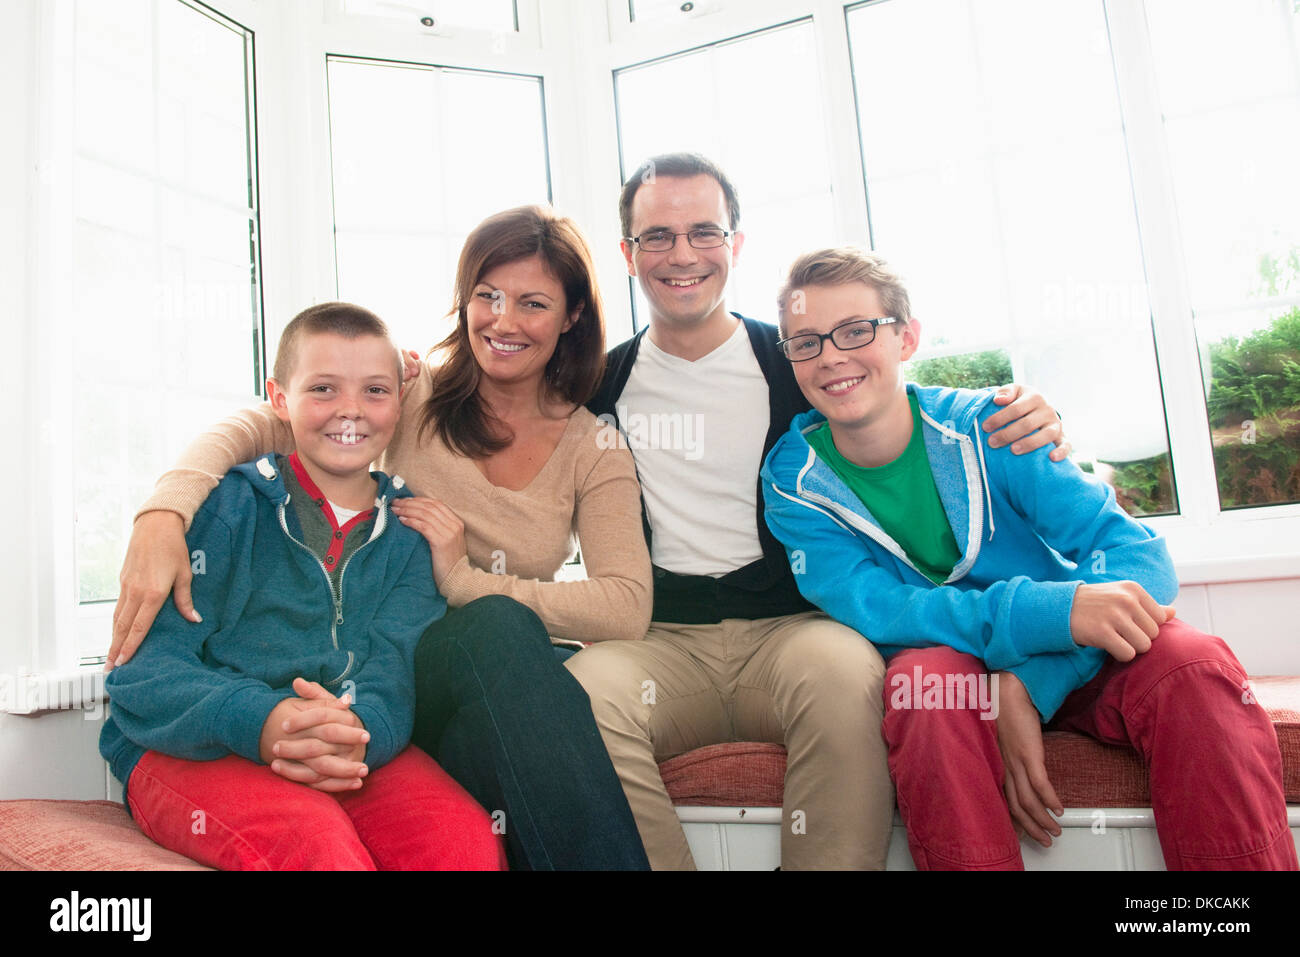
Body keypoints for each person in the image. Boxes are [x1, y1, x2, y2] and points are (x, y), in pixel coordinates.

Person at [107, 206, 652, 871]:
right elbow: (274, 419)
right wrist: (163, 510)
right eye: (487, 295)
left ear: (571, 316)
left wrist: (463, 583)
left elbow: (626, 601)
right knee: (497, 643)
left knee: (480, 782)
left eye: (533, 302)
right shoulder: (411, 394)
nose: (504, 320)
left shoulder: (588, 445)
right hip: (375, 678)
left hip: (426, 682)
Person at [566, 152, 1071, 869]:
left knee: (848, 672)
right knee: (580, 693)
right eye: (658, 236)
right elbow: (503, 423)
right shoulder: (598, 386)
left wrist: (1025, 409)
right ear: (628, 253)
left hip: (794, 632)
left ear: (735, 246)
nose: (683, 254)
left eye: (704, 232)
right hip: (659, 642)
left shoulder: (800, 359)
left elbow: (890, 400)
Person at [761, 246, 1298, 870]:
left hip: (1078, 651)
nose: (831, 356)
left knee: (1192, 663)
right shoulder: (792, 485)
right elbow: (881, 611)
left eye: (857, 330)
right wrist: (1041, 615)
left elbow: (1134, 554)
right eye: (805, 342)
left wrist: (1029, 682)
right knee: (922, 685)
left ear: (906, 339)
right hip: (961, 664)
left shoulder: (997, 426)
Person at [100, 303, 506, 870]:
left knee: (463, 846)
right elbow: (143, 675)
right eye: (323, 389)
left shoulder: (412, 534)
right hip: (196, 742)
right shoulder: (225, 508)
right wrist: (263, 722)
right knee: (312, 844)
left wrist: (360, 729)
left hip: (348, 742)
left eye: (374, 391)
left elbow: (392, 672)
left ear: (399, 401)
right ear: (279, 398)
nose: (350, 411)